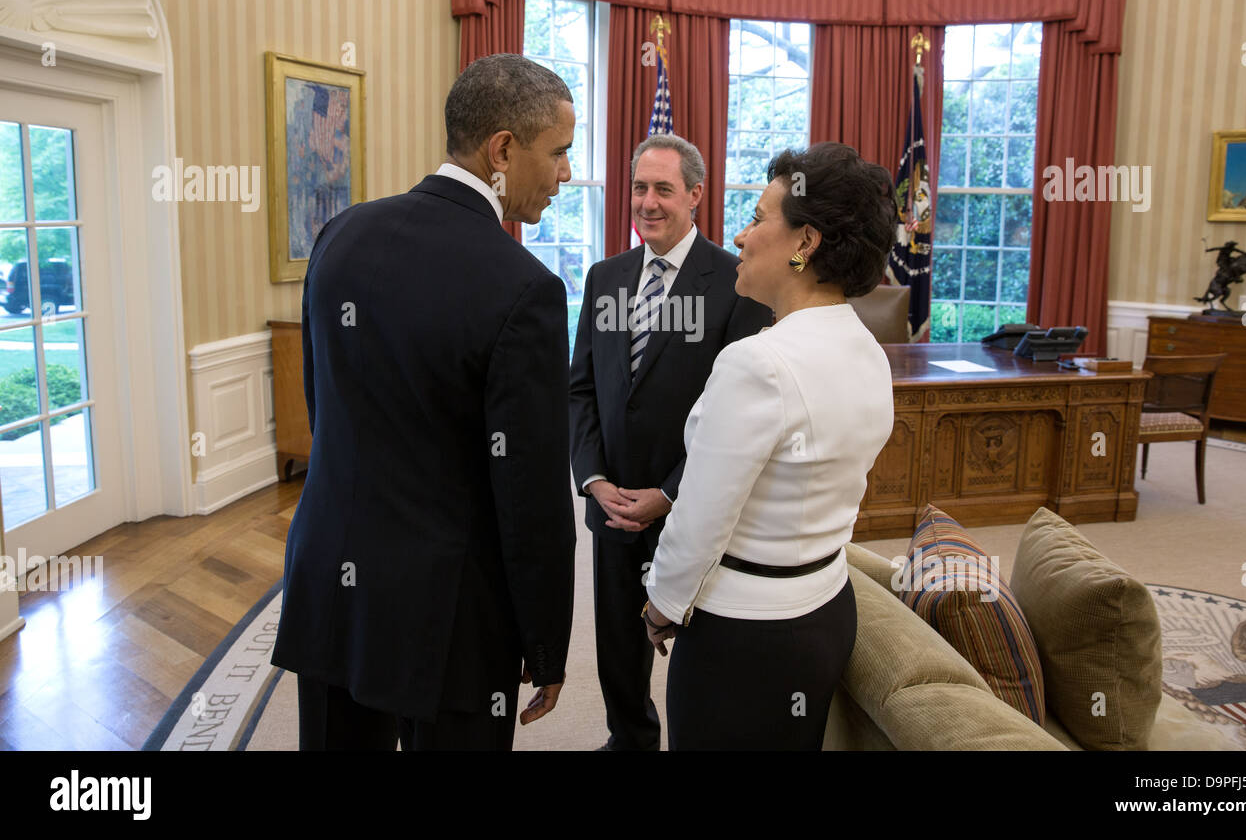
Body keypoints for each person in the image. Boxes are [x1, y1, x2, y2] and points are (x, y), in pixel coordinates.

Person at [271, 53, 577, 750]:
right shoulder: (525, 289)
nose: (564, 173)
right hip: (449, 619)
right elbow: (529, 497)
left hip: (328, 580)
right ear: (503, 149)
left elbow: (326, 412)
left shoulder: (339, 235)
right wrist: (546, 642)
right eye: (557, 152)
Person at [642, 141, 897, 750]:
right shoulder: (869, 350)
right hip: (826, 609)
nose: (740, 234)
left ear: (804, 243)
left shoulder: (757, 361)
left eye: (757, 218)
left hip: (745, 636)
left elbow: (703, 516)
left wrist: (661, 605)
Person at [569, 134, 771, 750]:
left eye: (662, 188)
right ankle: (628, 739)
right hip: (611, 506)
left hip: (695, 507)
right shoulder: (605, 277)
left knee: (699, 652)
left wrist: (668, 493)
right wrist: (593, 479)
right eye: (638, 187)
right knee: (618, 646)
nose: (647, 202)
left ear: (695, 195)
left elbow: (740, 417)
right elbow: (581, 390)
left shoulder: (737, 282)